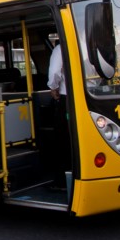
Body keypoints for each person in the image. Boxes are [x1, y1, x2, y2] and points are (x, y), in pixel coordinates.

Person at [48, 40, 70, 188]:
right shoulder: (87, 47)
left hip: (66, 99)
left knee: (63, 140)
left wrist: (53, 87)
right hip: (89, 96)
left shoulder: (61, 49)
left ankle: (62, 181)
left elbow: (55, 71)